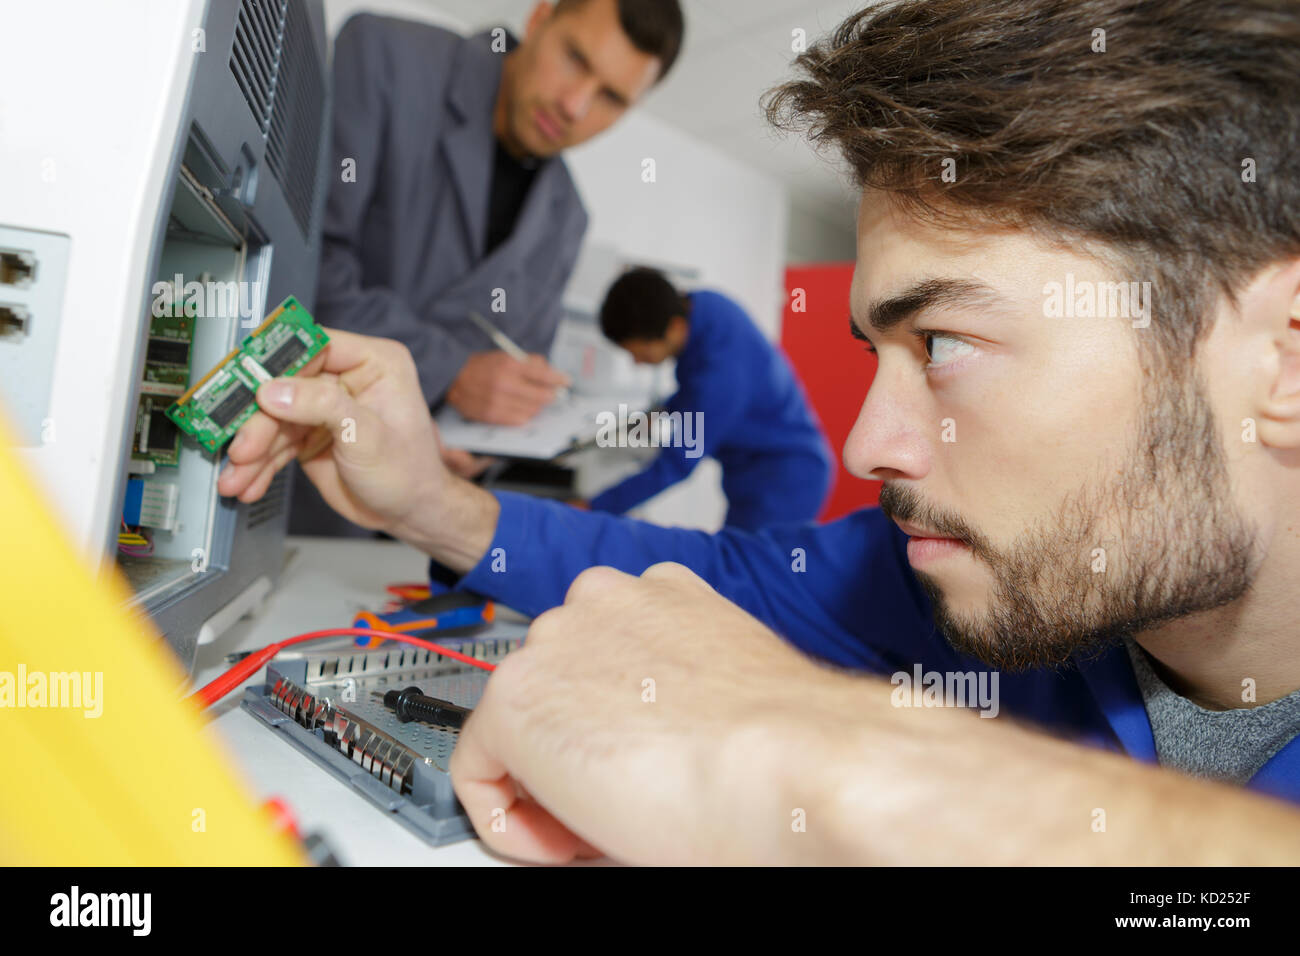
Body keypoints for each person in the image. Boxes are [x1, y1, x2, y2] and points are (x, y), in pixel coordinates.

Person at [219, 0, 1300, 864]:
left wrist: (829, 753)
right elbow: (706, 570)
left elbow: (687, 456)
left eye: (947, 341)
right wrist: (431, 503)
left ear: (1283, 354)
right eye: (880, 349)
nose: (867, 444)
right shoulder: (936, 567)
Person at [292, 0, 684, 534]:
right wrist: (452, 372)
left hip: (415, 512)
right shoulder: (386, 56)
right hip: (291, 467)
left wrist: (484, 433)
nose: (575, 105)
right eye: (574, 59)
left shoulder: (567, 218)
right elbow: (302, 264)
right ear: (541, 17)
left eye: (611, 97)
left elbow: (517, 366)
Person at [586, 268, 833, 530]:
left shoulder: (720, 376)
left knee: (743, 566)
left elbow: (676, 464)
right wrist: (661, 413)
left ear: (674, 327)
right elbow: (695, 392)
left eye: (641, 352)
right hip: (768, 469)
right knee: (733, 560)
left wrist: (592, 507)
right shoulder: (704, 307)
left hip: (784, 482)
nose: (637, 362)